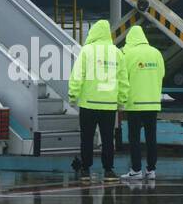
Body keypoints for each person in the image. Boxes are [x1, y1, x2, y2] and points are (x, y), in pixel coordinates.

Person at [68, 18, 127, 179]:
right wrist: (121, 101)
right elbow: (123, 80)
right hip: (109, 105)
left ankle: (86, 169)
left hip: (89, 104)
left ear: (93, 32)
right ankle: (108, 169)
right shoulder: (117, 52)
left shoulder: (87, 51)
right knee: (108, 139)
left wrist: (73, 95)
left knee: (87, 138)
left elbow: (77, 75)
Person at [119, 24, 164, 182]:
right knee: (151, 138)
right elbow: (162, 74)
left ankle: (136, 170)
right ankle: (151, 170)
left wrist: (121, 100)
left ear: (130, 38)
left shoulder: (128, 55)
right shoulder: (156, 53)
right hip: (152, 103)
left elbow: (123, 78)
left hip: (135, 104)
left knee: (134, 138)